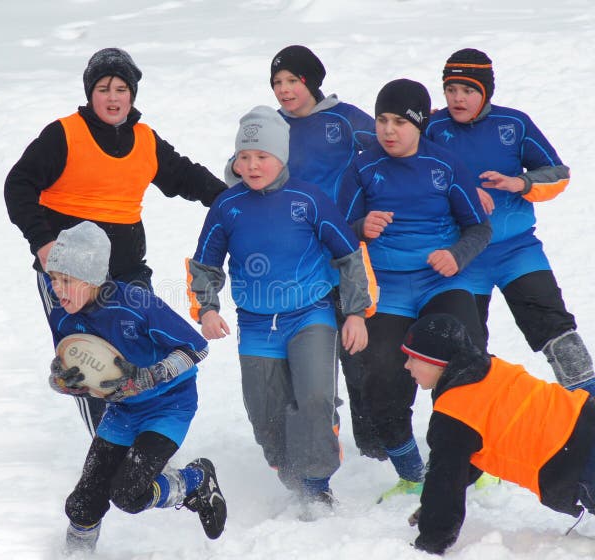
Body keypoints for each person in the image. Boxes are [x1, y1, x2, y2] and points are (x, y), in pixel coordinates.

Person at [4, 47, 227, 436]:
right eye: (104, 88)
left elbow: (186, 177)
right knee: (87, 361)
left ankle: (149, 440)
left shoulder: (144, 140)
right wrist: (43, 244)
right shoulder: (65, 134)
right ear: (91, 93)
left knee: (144, 351)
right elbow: (18, 185)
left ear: (132, 95)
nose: (112, 97)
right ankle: (107, 449)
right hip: (69, 275)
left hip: (127, 272)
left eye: (121, 88)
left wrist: (234, 201)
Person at [187, 105, 376, 506]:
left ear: (281, 158)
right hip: (256, 323)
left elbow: (348, 256)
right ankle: (292, 473)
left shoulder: (308, 199)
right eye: (245, 157)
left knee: (313, 399)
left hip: (311, 314)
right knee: (264, 414)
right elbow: (205, 263)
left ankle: (317, 483)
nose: (253, 166)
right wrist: (207, 308)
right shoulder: (227, 206)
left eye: (262, 157)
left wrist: (357, 313)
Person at [336, 78, 491, 501]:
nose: (388, 130)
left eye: (400, 122)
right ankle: (411, 473)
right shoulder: (363, 167)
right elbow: (334, 234)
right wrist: (359, 228)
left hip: (439, 282)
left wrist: (457, 255)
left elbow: (480, 227)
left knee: (469, 356)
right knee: (381, 374)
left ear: (420, 124)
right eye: (382, 120)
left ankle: (477, 462)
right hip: (385, 288)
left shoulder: (445, 165)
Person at [225, 44, 383, 459]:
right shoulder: (271, 127)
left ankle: (373, 445)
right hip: (294, 259)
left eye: (292, 80)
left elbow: (392, 144)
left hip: (343, 250)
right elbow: (237, 170)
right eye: (277, 82)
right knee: (306, 364)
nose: (283, 89)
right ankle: (309, 452)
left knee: (356, 358)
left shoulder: (345, 119)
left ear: (311, 81)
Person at [43, 221, 227, 553]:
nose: (58, 289)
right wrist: (61, 380)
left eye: (67, 280)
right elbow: (75, 367)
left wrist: (150, 376)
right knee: (85, 500)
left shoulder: (136, 304)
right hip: (123, 410)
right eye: (54, 279)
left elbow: (196, 348)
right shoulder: (63, 315)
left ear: (94, 278)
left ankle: (195, 481)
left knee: (129, 493)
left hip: (168, 407)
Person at [425, 48, 595, 394]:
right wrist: (463, 192)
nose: (458, 98)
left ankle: (589, 400)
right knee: (464, 348)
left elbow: (559, 174)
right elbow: (412, 179)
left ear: (486, 92)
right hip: (461, 257)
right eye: (451, 89)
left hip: (517, 251)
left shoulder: (513, 123)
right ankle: (474, 424)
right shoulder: (431, 128)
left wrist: (521, 183)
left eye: (468, 90)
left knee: (555, 327)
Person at [401, 313, 595, 555]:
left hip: (574, 459)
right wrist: (432, 507)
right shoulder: (488, 367)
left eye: (413, 358)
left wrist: (430, 541)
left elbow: (446, 478)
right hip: (585, 416)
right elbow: (468, 454)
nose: (406, 365)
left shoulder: (454, 412)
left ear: (437, 362)